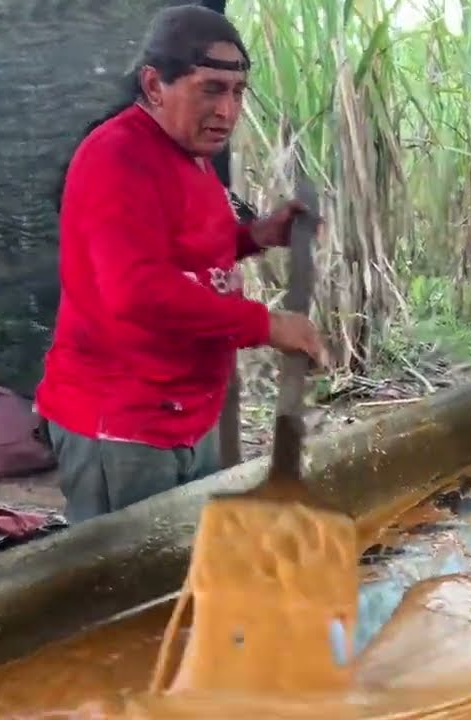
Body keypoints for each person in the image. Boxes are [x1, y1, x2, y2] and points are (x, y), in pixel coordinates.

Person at [35, 5, 330, 524]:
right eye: (211, 89)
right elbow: (139, 291)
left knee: (182, 572)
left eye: (237, 92)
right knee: (127, 590)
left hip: (187, 414)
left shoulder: (187, 154)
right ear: (154, 84)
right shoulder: (116, 158)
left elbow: (188, 252)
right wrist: (265, 324)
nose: (228, 111)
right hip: (123, 425)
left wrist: (257, 236)